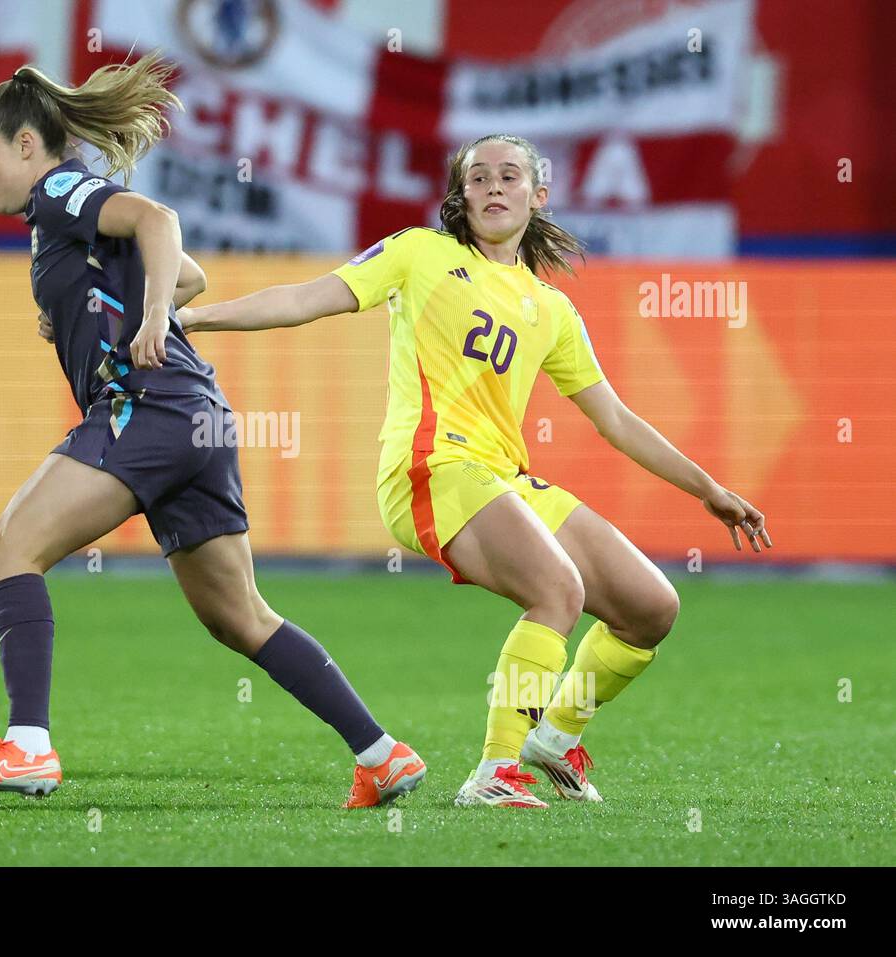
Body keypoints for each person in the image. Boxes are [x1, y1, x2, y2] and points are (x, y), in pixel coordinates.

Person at [178, 133, 772, 808]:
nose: (494, 186)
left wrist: (710, 490)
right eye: (479, 177)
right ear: (460, 196)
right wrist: (194, 317)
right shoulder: (420, 253)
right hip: (430, 466)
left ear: (536, 195)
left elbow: (616, 419)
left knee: (651, 607)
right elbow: (307, 297)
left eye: (509, 175)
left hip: (501, 476)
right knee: (558, 591)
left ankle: (556, 734)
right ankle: (495, 770)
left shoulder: (549, 308)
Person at [0, 53, 426, 809]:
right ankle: (382, 753)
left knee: (7, 550)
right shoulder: (59, 217)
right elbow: (190, 273)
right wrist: (106, 299)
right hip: (200, 418)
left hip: (146, 406)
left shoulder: (62, 189)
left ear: (27, 145)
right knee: (240, 617)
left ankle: (26, 745)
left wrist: (152, 314)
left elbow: (159, 222)